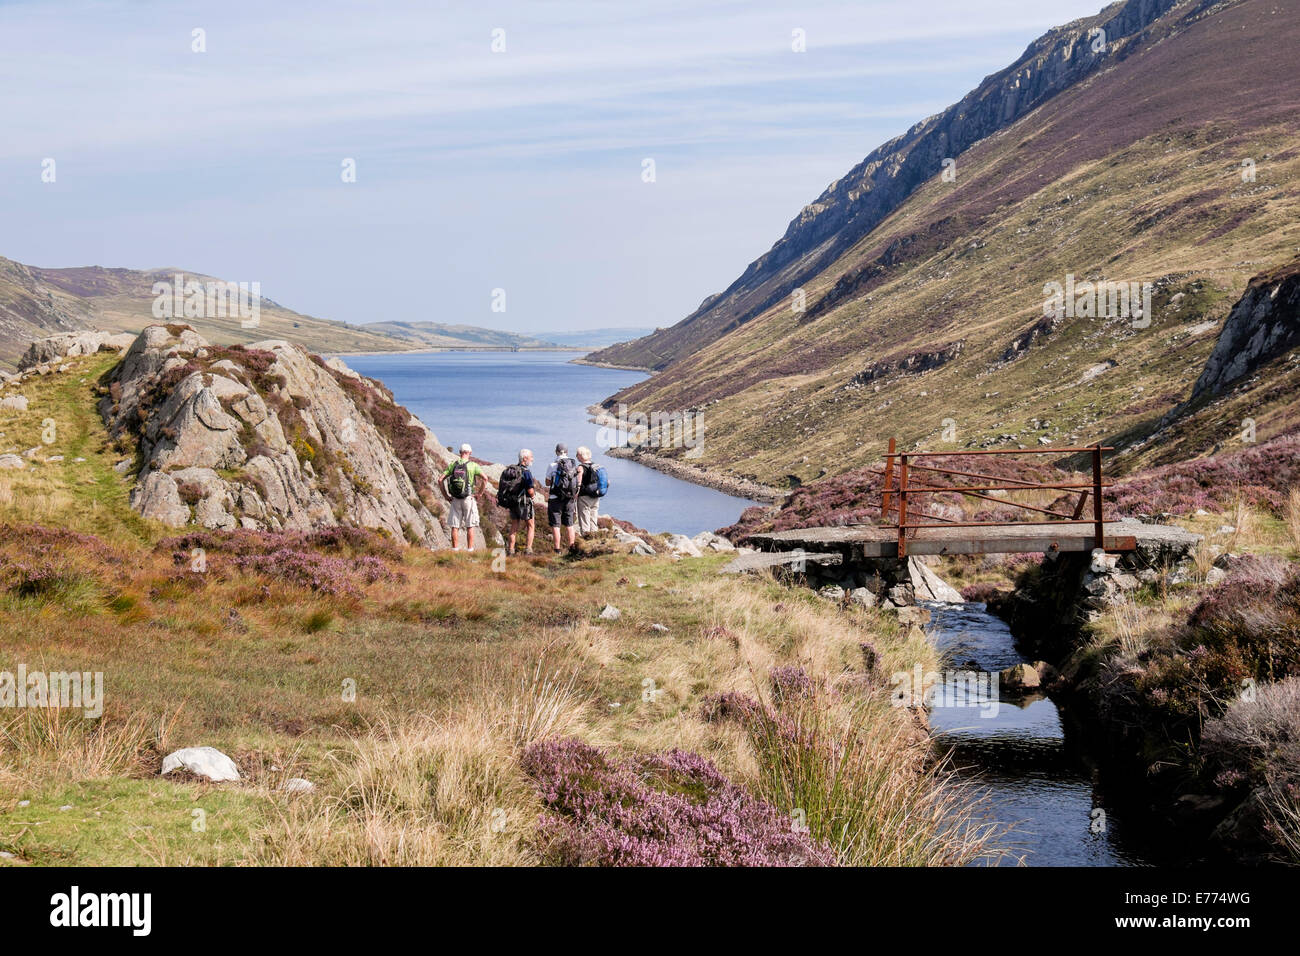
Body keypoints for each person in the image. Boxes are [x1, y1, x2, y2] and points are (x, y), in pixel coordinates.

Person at [440, 442, 485, 551]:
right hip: (468, 498)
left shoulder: (453, 465)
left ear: (460, 452)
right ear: (470, 452)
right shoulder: (473, 465)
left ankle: (455, 550)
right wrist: (480, 493)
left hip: (455, 499)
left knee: (455, 526)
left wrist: (446, 495)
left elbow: (440, 479)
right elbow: (485, 478)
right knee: (470, 525)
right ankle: (470, 550)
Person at [498, 448, 537, 555]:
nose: (532, 459)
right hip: (524, 502)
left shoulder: (512, 470)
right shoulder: (526, 472)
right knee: (530, 525)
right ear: (525, 458)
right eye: (531, 457)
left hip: (512, 501)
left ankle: (510, 550)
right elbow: (530, 489)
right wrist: (533, 496)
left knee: (514, 525)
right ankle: (528, 549)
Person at [544, 442, 582, 552]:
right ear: (567, 452)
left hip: (555, 498)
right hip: (569, 498)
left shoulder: (552, 465)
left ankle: (557, 549)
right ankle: (572, 547)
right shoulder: (573, 464)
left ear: (556, 452)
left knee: (556, 525)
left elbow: (547, 482)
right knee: (569, 524)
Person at [575, 446, 607, 535]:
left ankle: (586, 538)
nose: (576, 456)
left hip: (584, 497)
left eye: (577, 454)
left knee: (584, 519)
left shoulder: (581, 468)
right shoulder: (595, 466)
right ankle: (594, 538)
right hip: (595, 495)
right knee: (593, 518)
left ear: (581, 456)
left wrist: (575, 494)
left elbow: (578, 482)